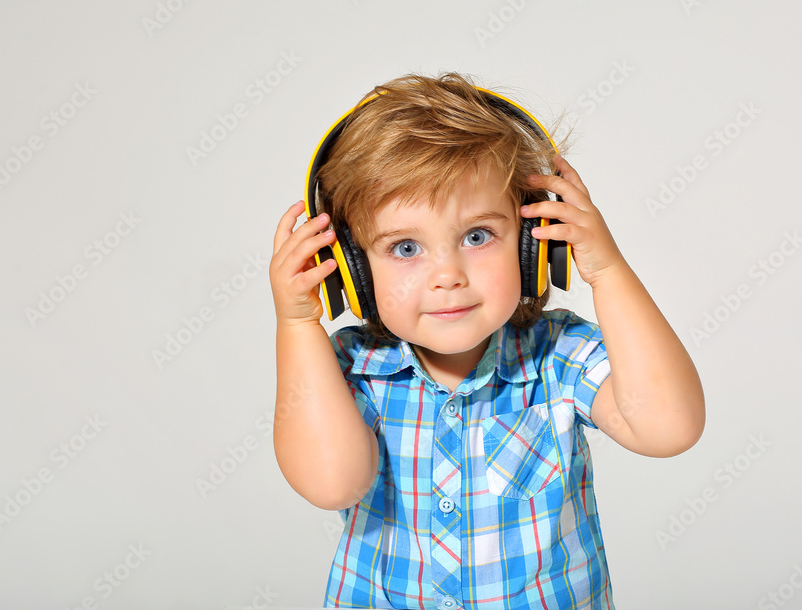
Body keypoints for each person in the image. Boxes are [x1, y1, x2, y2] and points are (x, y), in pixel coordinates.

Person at [268, 72, 705, 609]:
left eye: (477, 236)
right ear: (351, 267)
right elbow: (332, 484)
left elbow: (669, 427)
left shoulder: (559, 355)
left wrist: (608, 271)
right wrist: (297, 325)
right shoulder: (347, 369)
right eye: (405, 248)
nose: (447, 275)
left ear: (532, 244)